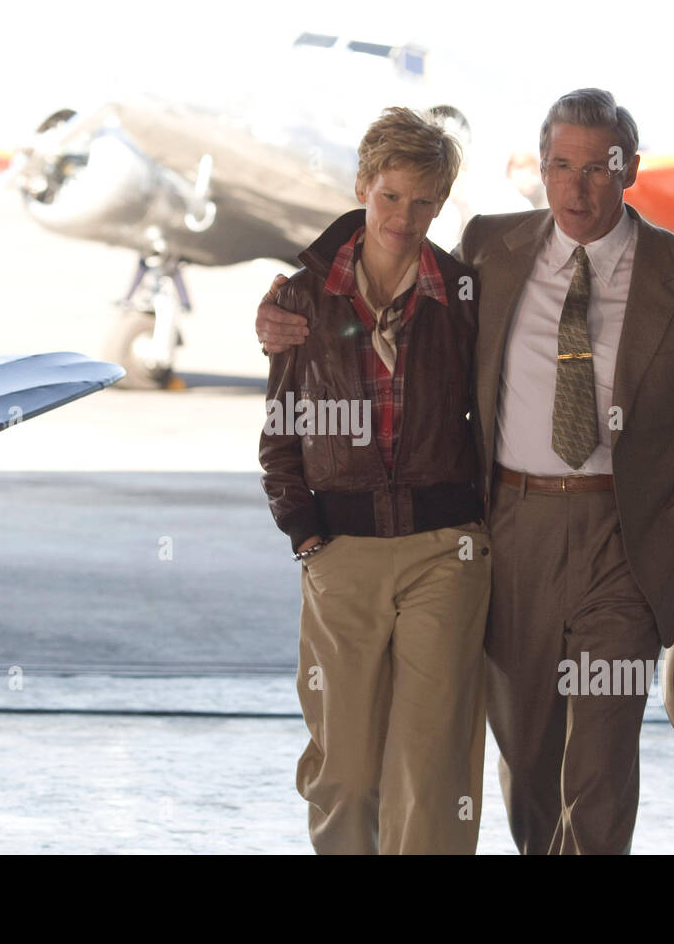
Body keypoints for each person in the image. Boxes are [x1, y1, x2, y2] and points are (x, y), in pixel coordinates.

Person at [258, 89, 674, 855]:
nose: (577, 187)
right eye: (561, 166)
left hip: (626, 541)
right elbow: (383, 239)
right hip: (508, 531)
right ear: (541, 167)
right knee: (526, 760)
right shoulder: (492, 249)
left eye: (598, 168)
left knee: (599, 760)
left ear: (631, 170)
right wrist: (286, 298)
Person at [258, 106, 490, 854]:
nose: (405, 215)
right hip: (340, 551)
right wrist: (305, 533)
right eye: (391, 195)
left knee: (430, 768)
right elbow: (280, 430)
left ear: (443, 204)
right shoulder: (302, 300)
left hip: (444, 552)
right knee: (346, 770)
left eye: (424, 202)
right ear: (364, 185)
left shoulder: (462, 297)